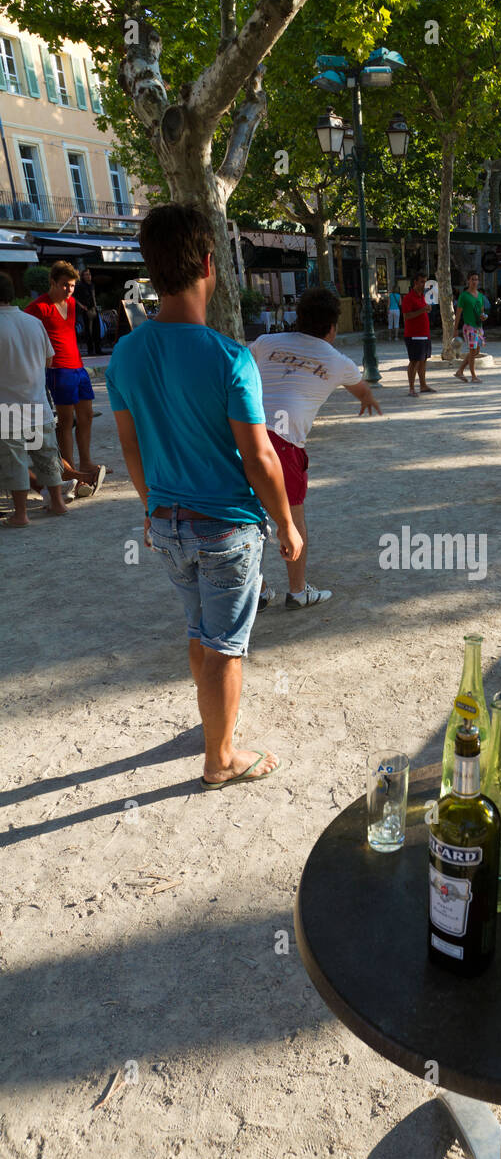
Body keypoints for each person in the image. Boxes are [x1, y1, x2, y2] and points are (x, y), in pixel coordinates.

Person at [105, 203, 303, 790]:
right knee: (226, 645)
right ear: (210, 265)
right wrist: (288, 525)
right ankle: (220, 758)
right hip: (225, 527)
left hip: (165, 523)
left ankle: (212, 725)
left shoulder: (125, 353)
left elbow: (131, 448)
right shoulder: (228, 356)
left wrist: (151, 505)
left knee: (199, 632)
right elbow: (261, 457)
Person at [251, 286, 381, 610]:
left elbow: (238, 365)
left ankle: (258, 587)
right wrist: (367, 399)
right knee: (292, 520)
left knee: (245, 518)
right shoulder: (338, 361)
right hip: (284, 443)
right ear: (333, 328)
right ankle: (297, 590)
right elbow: (361, 388)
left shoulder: (267, 343)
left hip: (245, 436)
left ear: (299, 318)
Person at [25, 261, 101, 496]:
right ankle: (71, 470)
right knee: (66, 421)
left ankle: (86, 463)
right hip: (57, 369)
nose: (69, 290)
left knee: (86, 416)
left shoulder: (70, 302)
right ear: (53, 283)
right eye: (65, 285)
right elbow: (23, 329)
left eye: (72, 285)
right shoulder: (38, 307)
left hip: (78, 367)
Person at [0, 270, 69, 526]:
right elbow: (49, 359)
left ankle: (21, 514)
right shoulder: (32, 322)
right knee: (45, 455)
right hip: (38, 404)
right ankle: (58, 502)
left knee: (15, 460)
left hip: (7, 407)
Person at [400, 272, 435, 396]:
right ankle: (411, 388)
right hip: (413, 335)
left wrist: (427, 309)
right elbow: (407, 316)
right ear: (415, 282)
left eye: (425, 282)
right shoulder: (408, 298)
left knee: (423, 360)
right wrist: (422, 310)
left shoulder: (423, 297)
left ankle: (423, 385)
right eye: (422, 282)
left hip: (425, 334)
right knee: (414, 361)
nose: (424, 284)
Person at [454, 271, 486, 383]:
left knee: (476, 351)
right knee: (473, 351)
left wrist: (483, 317)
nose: (474, 281)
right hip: (469, 327)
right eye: (472, 279)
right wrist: (455, 329)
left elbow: (481, 311)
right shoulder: (464, 296)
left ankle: (460, 371)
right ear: (468, 280)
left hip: (478, 327)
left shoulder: (480, 296)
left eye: (476, 279)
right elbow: (458, 314)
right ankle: (473, 376)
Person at [76, 267, 103, 356]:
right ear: (83, 276)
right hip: (86, 310)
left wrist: (95, 306)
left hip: (93, 309)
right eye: (86, 274)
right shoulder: (80, 285)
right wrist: (82, 306)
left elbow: (93, 297)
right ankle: (90, 350)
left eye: (89, 274)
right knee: (88, 331)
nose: (89, 276)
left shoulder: (92, 285)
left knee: (97, 330)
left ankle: (98, 349)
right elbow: (74, 298)